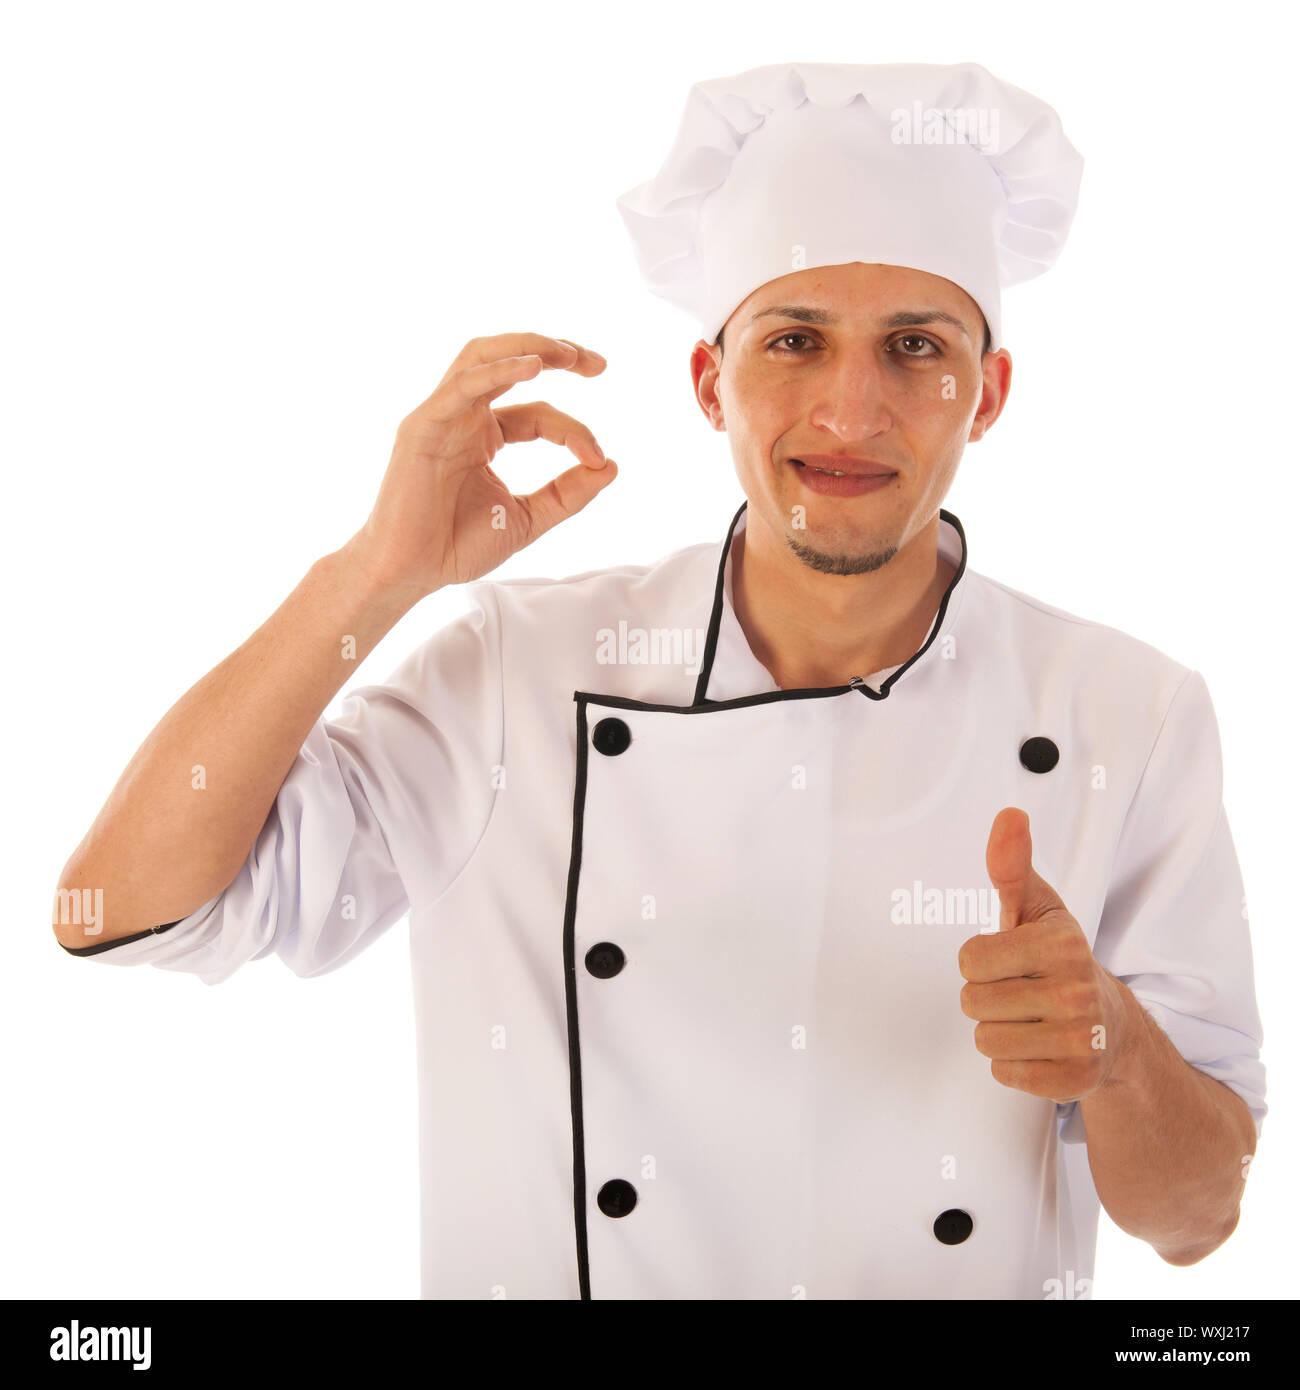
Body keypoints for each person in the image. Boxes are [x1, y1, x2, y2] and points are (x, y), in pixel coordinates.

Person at [53, 61, 1266, 1300]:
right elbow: (117, 910)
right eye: (794, 342)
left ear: (987, 394)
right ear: (711, 383)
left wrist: (1116, 1048)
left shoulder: (1125, 711)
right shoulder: (513, 674)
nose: (852, 411)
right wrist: (373, 575)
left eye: (916, 348)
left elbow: (1198, 1218)